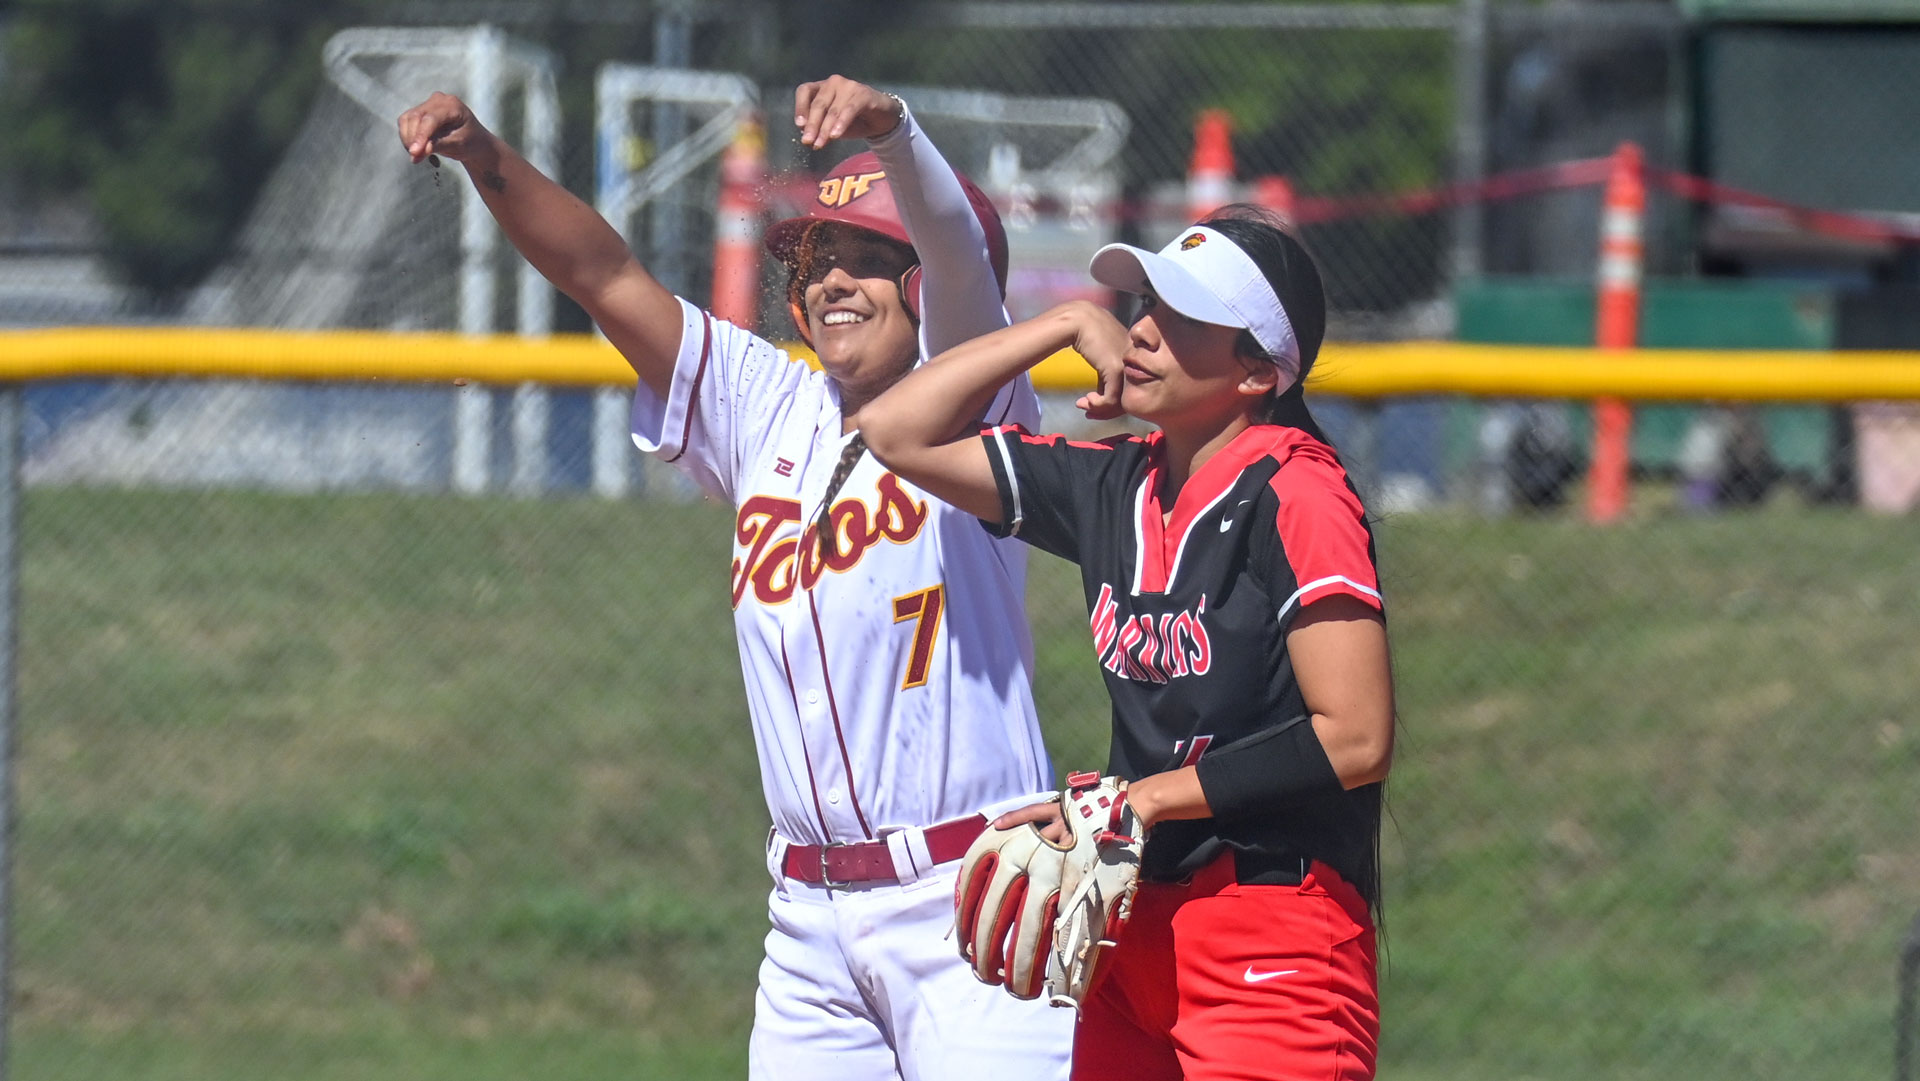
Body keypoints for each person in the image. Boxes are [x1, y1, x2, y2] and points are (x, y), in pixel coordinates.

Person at [397, 76, 1071, 1080]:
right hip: (807, 924)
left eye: (874, 261)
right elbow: (604, 273)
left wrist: (892, 132)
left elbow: (959, 252)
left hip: (972, 897)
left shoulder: (982, 402)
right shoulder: (769, 406)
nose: (836, 280)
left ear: (932, 285)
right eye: (821, 260)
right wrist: (487, 158)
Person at [861, 204, 1396, 1081]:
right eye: (1143, 304)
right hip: (1133, 928)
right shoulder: (1118, 481)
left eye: (1182, 318)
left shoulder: (1299, 493)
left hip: (1272, 938)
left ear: (1258, 370)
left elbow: (1357, 736)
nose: (1141, 330)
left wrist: (1142, 800)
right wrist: (1066, 322)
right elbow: (896, 433)